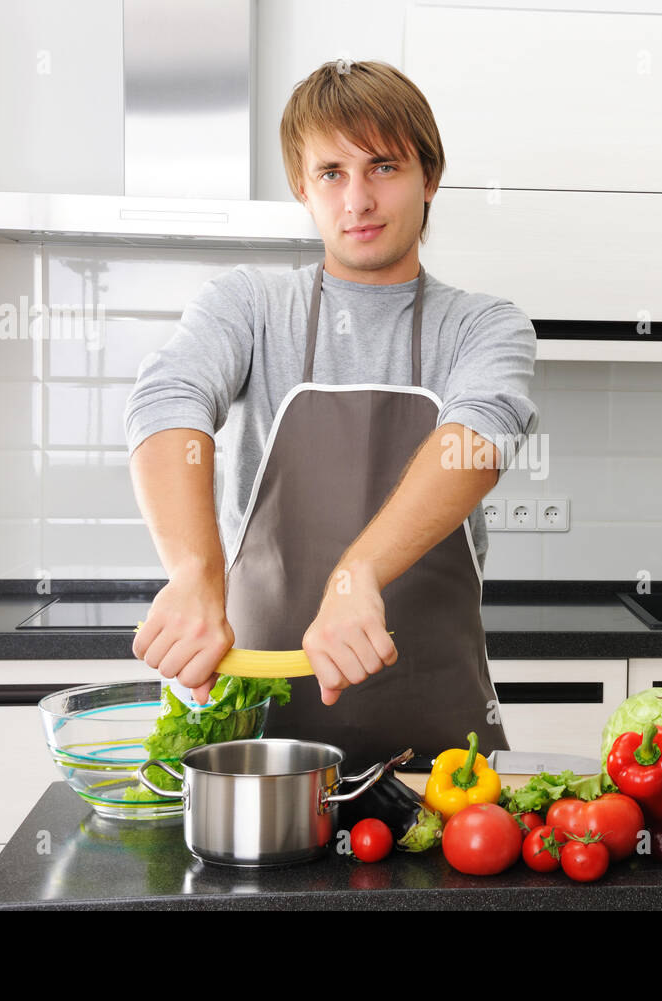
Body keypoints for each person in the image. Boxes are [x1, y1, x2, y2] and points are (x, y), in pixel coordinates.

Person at [123, 59, 538, 770]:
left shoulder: (484, 325)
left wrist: (358, 576)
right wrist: (195, 569)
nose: (359, 199)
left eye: (383, 166)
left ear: (428, 177)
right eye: (331, 173)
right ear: (302, 188)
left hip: (441, 769)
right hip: (257, 765)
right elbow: (169, 399)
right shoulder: (248, 306)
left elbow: (482, 433)